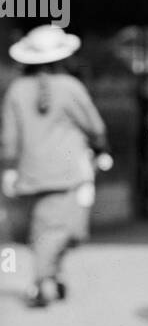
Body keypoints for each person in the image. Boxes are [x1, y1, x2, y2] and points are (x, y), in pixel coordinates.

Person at [0, 25, 112, 308]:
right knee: (60, 230)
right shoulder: (71, 87)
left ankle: (53, 275)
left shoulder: (15, 90)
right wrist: (100, 149)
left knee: (44, 230)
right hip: (66, 174)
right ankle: (41, 282)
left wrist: (10, 169)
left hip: (28, 172)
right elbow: (95, 126)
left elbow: (9, 137)